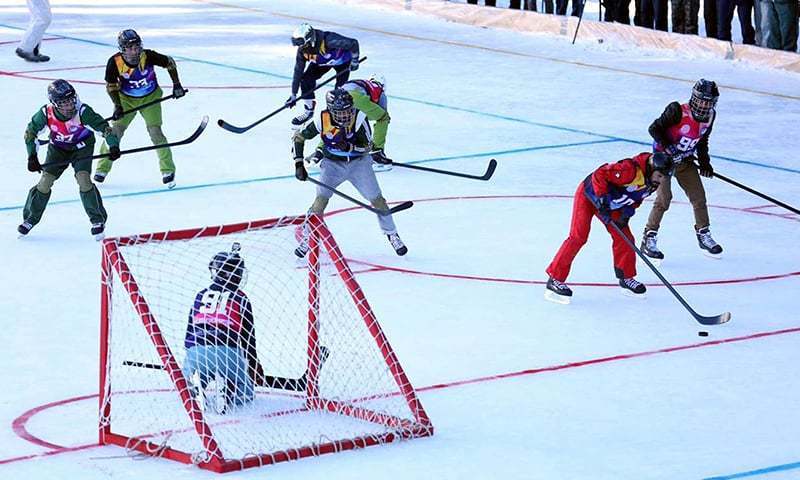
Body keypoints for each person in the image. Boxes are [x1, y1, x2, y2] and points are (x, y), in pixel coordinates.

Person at [544, 153, 674, 304]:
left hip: (611, 205)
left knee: (626, 239)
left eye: (664, 178)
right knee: (578, 236)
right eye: (659, 176)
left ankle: (626, 278)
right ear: (652, 169)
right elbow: (600, 174)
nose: (661, 180)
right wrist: (602, 199)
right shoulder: (629, 171)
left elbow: (635, 199)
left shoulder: (652, 183)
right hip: (589, 195)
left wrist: (625, 214)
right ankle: (555, 279)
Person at [292, 88, 408, 258]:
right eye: (341, 112)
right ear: (331, 110)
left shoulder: (360, 118)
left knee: (379, 201)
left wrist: (351, 147)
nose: (346, 116)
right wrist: (298, 164)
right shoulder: (321, 119)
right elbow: (299, 137)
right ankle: (308, 238)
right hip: (332, 165)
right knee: (319, 202)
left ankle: (392, 234)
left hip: (358, 164)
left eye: (348, 110)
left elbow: (369, 146)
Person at [19, 79, 120, 240]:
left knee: (83, 179)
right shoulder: (46, 113)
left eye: (71, 101)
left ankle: (97, 220)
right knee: (45, 181)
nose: (69, 107)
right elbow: (30, 133)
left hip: (82, 148)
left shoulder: (83, 111)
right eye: (63, 103)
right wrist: (32, 156)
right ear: (54, 103)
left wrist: (113, 146)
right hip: (58, 148)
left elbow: (104, 128)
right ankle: (30, 218)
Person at [641, 79, 723, 262]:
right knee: (664, 199)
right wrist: (670, 149)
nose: (704, 105)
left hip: (684, 160)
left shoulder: (710, 116)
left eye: (708, 102)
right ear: (694, 98)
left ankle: (703, 233)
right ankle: (649, 236)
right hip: (663, 161)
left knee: (698, 196)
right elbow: (654, 129)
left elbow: (702, 140)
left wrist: (704, 163)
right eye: (702, 100)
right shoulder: (677, 110)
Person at [94, 29, 186, 188]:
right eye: (130, 48)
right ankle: (102, 168)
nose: (134, 51)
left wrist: (176, 84)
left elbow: (169, 62)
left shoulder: (148, 56)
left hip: (151, 97)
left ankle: (167, 170)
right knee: (115, 132)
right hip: (126, 100)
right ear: (122, 49)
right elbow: (111, 87)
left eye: (137, 47)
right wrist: (117, 105)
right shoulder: (114, 62)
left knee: (155, 132)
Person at [182, 244, 261, 412]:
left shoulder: (200, 294)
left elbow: (188, 333)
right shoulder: (241, 297)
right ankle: (228, 388)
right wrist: (254, 365)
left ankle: (195, 387)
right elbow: (248, 339)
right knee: (246, 393)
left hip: (197, 351)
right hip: (228, 353)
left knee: (190, 378)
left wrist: (192, 356)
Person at [287, 23, 360, 127]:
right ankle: (309, 111)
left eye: (301, 43)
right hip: (321, 63)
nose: (300, 47)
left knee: (339, 91)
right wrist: (293, 94)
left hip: (342, 63)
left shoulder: (329, 40)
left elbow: (353, 43)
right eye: (297, 44)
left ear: (309, 39)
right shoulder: (302, 51)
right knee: (305, 80)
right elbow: (298, 71)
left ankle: (334, 116)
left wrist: (355, 61)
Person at [341, 74, 393, 172]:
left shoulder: (361, 82)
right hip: (357, 98)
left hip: (340, 95)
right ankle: (377, 152)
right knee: (383, 118)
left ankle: (322, 150)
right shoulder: (379, 90)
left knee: (338, 120)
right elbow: (381, 115)